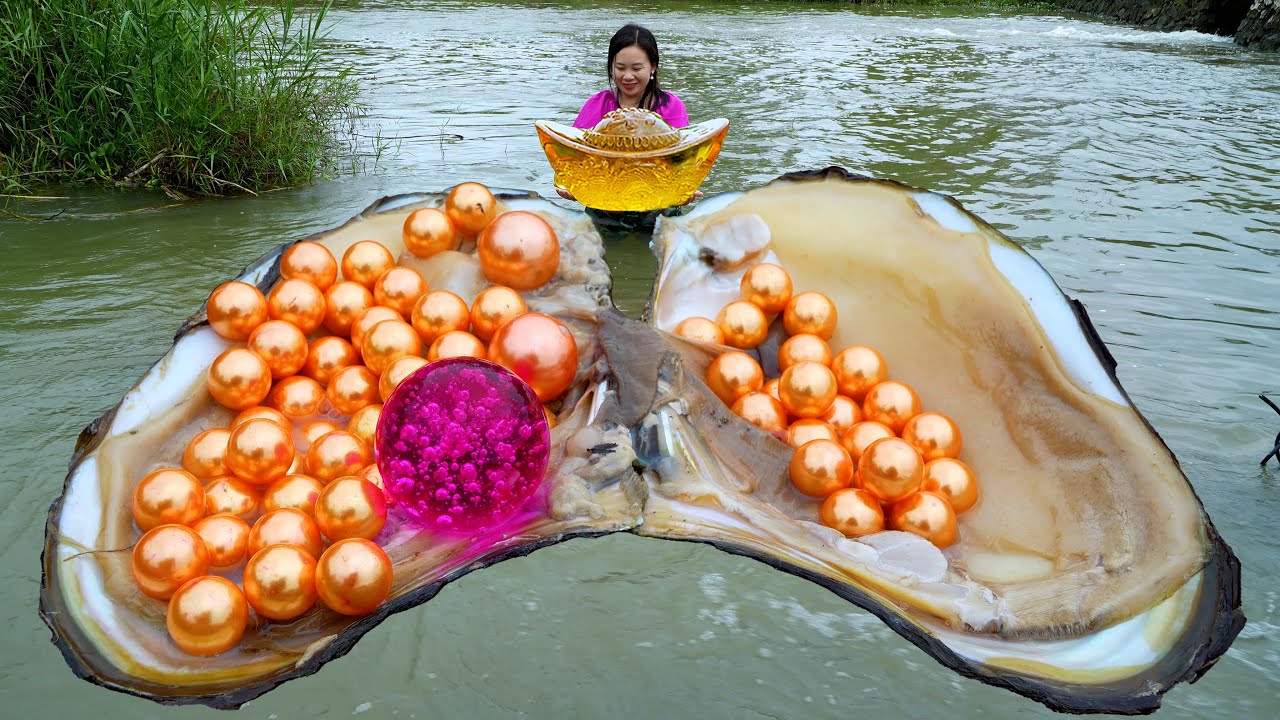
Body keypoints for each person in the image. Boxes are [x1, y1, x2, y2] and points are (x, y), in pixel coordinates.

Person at [557, 24, 700, 207]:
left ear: (653, 67)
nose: (628, 76)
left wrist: (683, 192)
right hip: (606, 207)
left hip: (658, 208)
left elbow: (684, 163)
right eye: (621, 68)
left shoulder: (671, 107)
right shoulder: (597, 104)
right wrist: (575, 188)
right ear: (611, 67)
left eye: (636, 68)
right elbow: (574, 156)